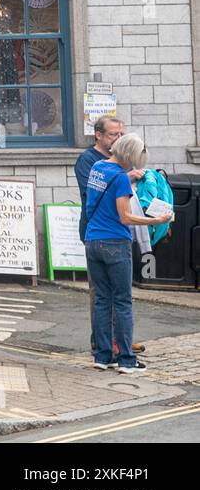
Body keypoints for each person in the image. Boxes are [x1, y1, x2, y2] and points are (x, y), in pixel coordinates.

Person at [82, 134, 173, 372]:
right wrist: (157, 219)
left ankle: (102, 356)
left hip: (93, 240)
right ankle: (126, 359)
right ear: (130, 155)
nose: (136, 165)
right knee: (122, 301)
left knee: (102, 300)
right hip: (115, 243)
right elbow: (125, 217)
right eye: (136, 159)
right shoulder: (121, 179)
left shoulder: (97, 168)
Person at [74, 116, 145, 357]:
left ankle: (119, 341)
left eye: (121, 134)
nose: (119, 138)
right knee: (103, 294)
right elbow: (91, 194)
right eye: (114, 134)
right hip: (100, 231)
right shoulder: (89, 161)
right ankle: (105, 344)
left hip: (117, 232)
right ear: (99, 135)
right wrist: (127, 178)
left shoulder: (119, 162)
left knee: (116, 292)